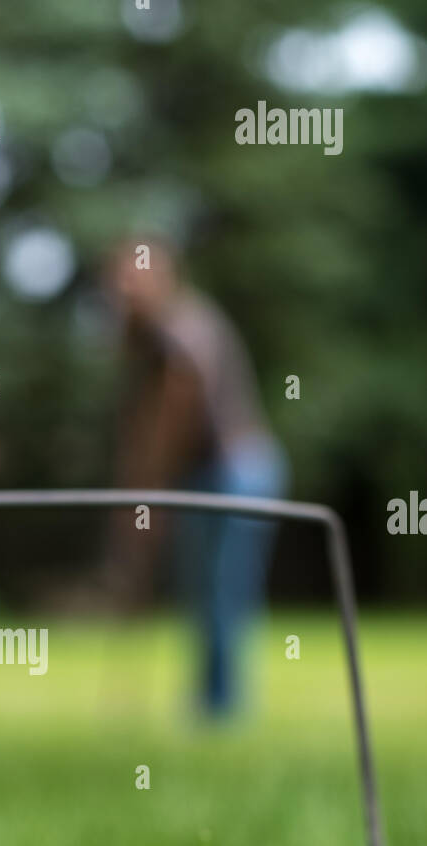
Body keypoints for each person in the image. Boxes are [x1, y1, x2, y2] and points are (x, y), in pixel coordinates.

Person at [103, 237, 288, 715]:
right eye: (118, 278)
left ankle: (223, 709)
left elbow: (176, 414)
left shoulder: (187, 326)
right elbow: (137, 423)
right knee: (201, 590)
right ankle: (209, 702)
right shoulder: (141, 339)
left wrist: (151, 489)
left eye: (134, 276)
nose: (124, 287)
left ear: (162, 275)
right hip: (202, 474)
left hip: (237, 469)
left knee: (223, 588)